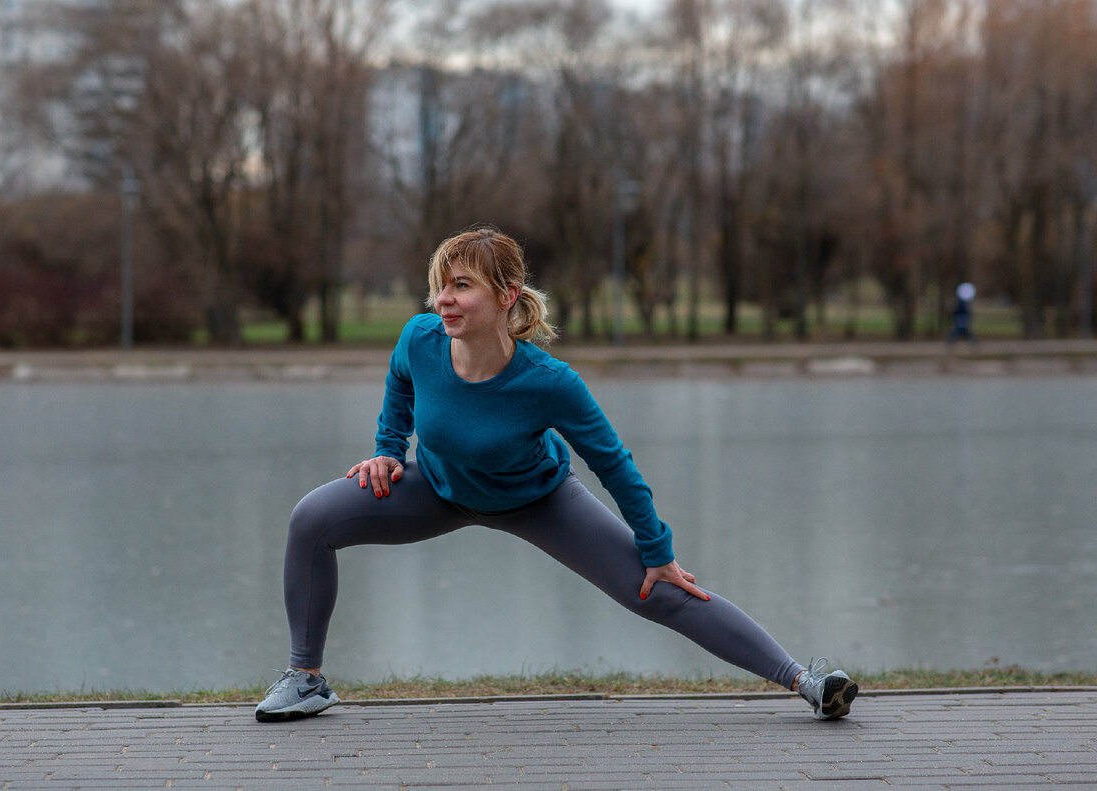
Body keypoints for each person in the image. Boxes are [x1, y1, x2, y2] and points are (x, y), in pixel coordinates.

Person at [255, 228, 858, 723]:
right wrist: (388, 448)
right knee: (311, 520)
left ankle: (804, 680)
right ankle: (306, 680)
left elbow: (615, 466)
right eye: (440, 284)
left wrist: (657, 550)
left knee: (661, 593)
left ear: (507, 294)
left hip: (537, 499)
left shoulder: (549, 382)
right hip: (440, 489)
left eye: (461, 285)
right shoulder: (420, 339)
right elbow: (401, 383)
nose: (443, 299)